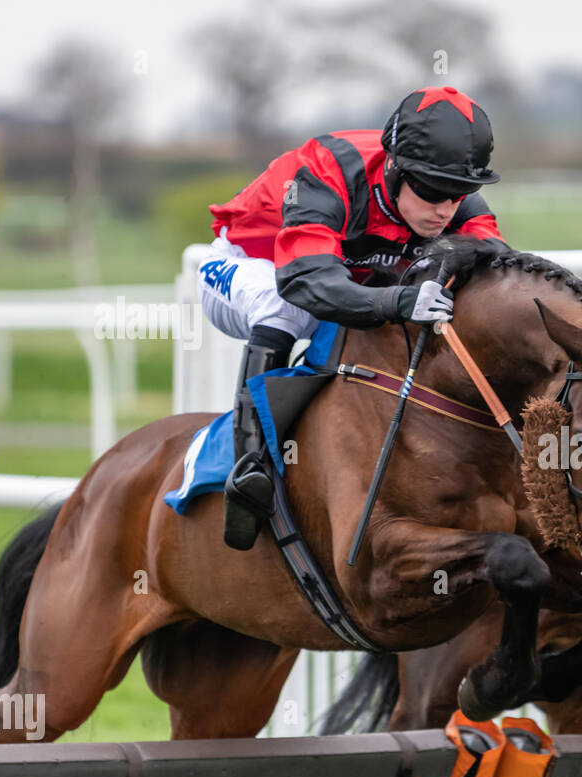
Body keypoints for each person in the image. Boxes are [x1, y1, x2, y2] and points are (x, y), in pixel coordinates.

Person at [201, 86, 505, 550]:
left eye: (461, 193)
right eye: (432, 190)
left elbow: (497, 264)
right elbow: (305, 281)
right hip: (248, 265)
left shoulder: (446, 193)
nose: (446, 209)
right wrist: (395, 302)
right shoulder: (328, 171)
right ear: (396, 167)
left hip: (334, 275)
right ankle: (250, 466)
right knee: (287, 308)